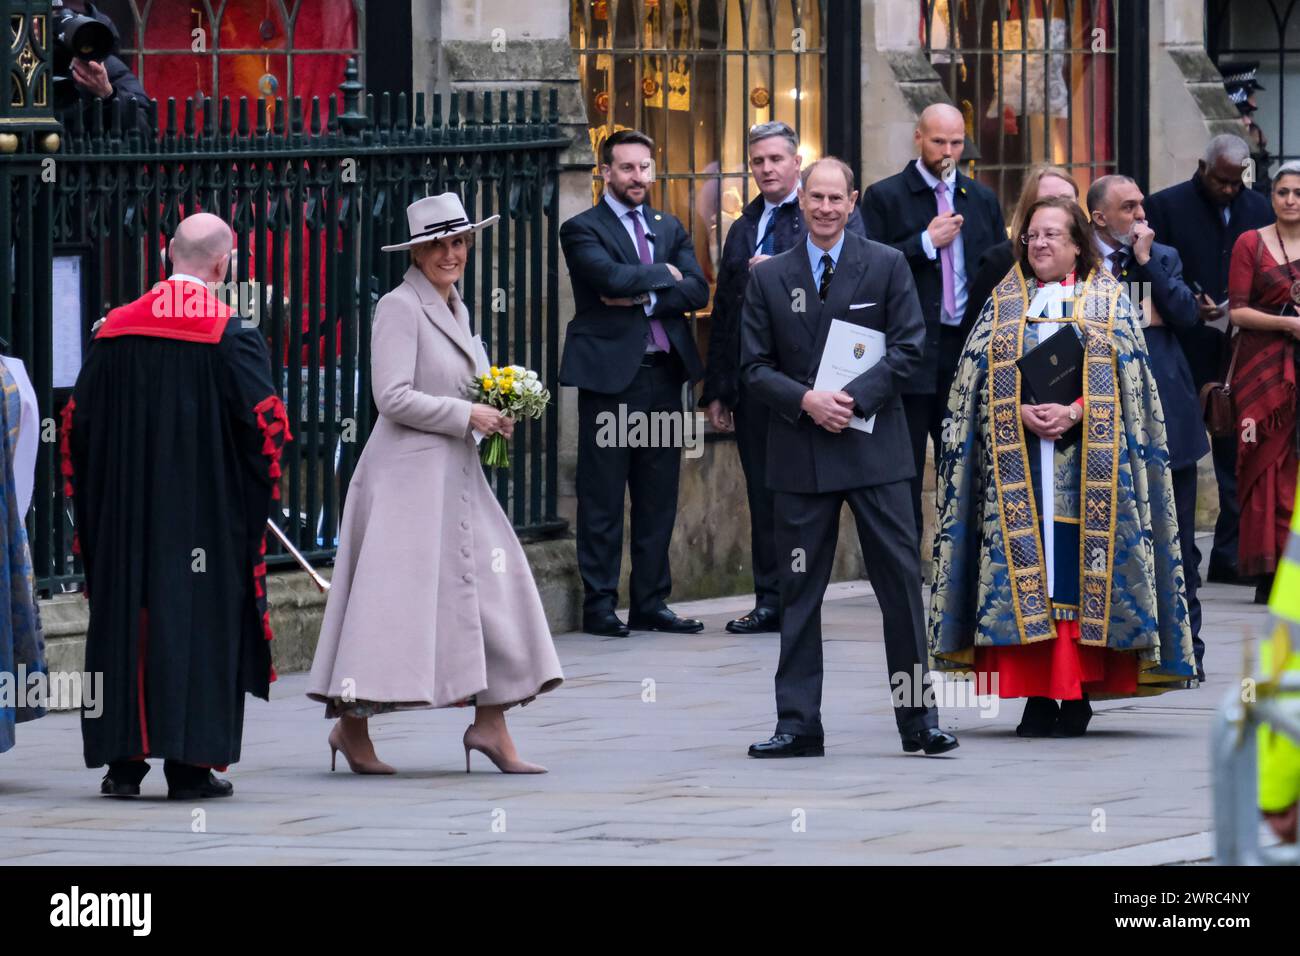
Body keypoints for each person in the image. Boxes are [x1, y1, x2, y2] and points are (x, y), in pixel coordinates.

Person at [308, 193, 563, 774]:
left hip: (456, 478)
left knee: (496, 592)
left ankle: (491, 725)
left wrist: (494, 411)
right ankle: (352, 730)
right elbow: (390, 397)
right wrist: (465, 415)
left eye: (460, 242)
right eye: (439, 244)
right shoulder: (398, 307)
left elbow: (458, 386)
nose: (452, 253)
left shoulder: (457, 307)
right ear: (418, 252)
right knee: (389, 607)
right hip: (403, 482)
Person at [931, 197, 1196, 738]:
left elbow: (1133, 388)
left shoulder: (1109, 301)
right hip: (1021, 466)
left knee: (1077, 569)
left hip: (1090, 467)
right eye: (1032, 236)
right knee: (1032, 570)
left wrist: (1076, 410)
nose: (1042, 244)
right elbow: (968, 389)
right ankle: (1036, 694)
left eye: (1053, 234)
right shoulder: (1002, 304)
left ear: (1078, 241)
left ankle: (1076, 693)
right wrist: (1015, 410)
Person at [62, 212, 290, 799]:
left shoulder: (112, 331)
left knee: (125, 625)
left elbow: (75, 428)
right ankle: (190, 767)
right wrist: (251, 499)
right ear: (224, 265)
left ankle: (123, 764)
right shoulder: (230, 334)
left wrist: (100, 508)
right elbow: (267, 428)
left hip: (126, 517)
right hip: (203, 522)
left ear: (167, 254)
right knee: (196, 628)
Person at [740, 157, 958, 759]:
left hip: (875, 453)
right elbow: (753, 369)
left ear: (854, 201)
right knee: (799, 590)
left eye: (838, 199)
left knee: (900, 588)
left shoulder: (887, 265)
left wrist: (851, 399)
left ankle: (920, 723)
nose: (827, 208)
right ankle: (798, 724)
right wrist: (807, 400)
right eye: (817, 198)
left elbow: (912, 349)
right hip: (801, 456)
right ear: (802, 202)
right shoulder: (768, 277)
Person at [698, 120, 866, 635]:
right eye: (758, 161)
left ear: (797, 163)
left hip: (812, 387)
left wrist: (783, 273)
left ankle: (801, 597)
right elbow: (725, 311)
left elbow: (853, 289)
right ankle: (769, 599)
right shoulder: (743, 225)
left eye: (776, 159)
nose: (767, 169)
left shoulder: (824, 215)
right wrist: (718, 389)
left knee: (809, 500)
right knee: (763, 496)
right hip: (755, 386)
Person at [559, 129, 710, 638]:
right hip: (610, 384)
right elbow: (606, 280)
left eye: (645, 167)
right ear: (606, 172)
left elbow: (697, 286)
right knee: (602, 497)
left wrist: (646, 293)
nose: (639, 177)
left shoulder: (668, 226)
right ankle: (600, 605)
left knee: (658, 495)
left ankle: (651, 602)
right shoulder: (582, 227)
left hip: (664, 380)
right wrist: (661, 278)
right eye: (627, 168)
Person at [860, 102, 1006, 540]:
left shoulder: (980, 198)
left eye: (957, 142)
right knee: (902, 469)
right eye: (939, 140)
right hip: (908, 352)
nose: (947, 151)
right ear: (918, 138)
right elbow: (868, 271)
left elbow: (998, 269)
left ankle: (958, 561)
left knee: (962, 464)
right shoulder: (885, 196)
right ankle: (906, 566)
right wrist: (925, 241)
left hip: (965, 351)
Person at [1088, 174, 1209, 682]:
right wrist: (1143, 314)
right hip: (1101, 418)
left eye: (1141, 206)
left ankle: (1188, 652)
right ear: (1098, 217)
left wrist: (1144, 261)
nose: (1141, 216)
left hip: (1167, 418)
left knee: (1177, 538)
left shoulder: (1163, 256)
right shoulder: (1081, 260)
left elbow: (1183, 313)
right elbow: (1117, 325)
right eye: (1128, 207)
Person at [1146, 134, 1275, 585]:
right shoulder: (1164, 206)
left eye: (1236, 182)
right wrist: (1185, 300)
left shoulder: (1257, 208)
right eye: (1221, 181)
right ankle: (1184, 559)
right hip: (1181, 347)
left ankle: (1230, 554)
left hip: (1238, 347)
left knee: (1235, 451)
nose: (1228, 190)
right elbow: (1150, 273)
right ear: (1203, 167)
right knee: (1181, 451)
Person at [1226, 161, 1300, 605]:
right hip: (1263, 370)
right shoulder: (1249, 243)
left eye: (1298, 193)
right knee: (1264, 464)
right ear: (1270, 197)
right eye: (1283, 192)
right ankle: (1268, 570)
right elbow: (1235, 311)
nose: (1291, 200)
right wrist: (1289, 326)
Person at [962, 165, 1078, 336]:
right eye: (1047, 201)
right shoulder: (999, 262)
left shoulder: (1095, 262)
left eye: (1067, 200)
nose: (1059, 208)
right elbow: (974, 332)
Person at [53, 0, 150, 133]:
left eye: (74, 18)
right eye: (52, 17)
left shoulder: (102, 65)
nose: (62, 27)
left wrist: (107, 93)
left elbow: (144, 126)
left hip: (88, 148)